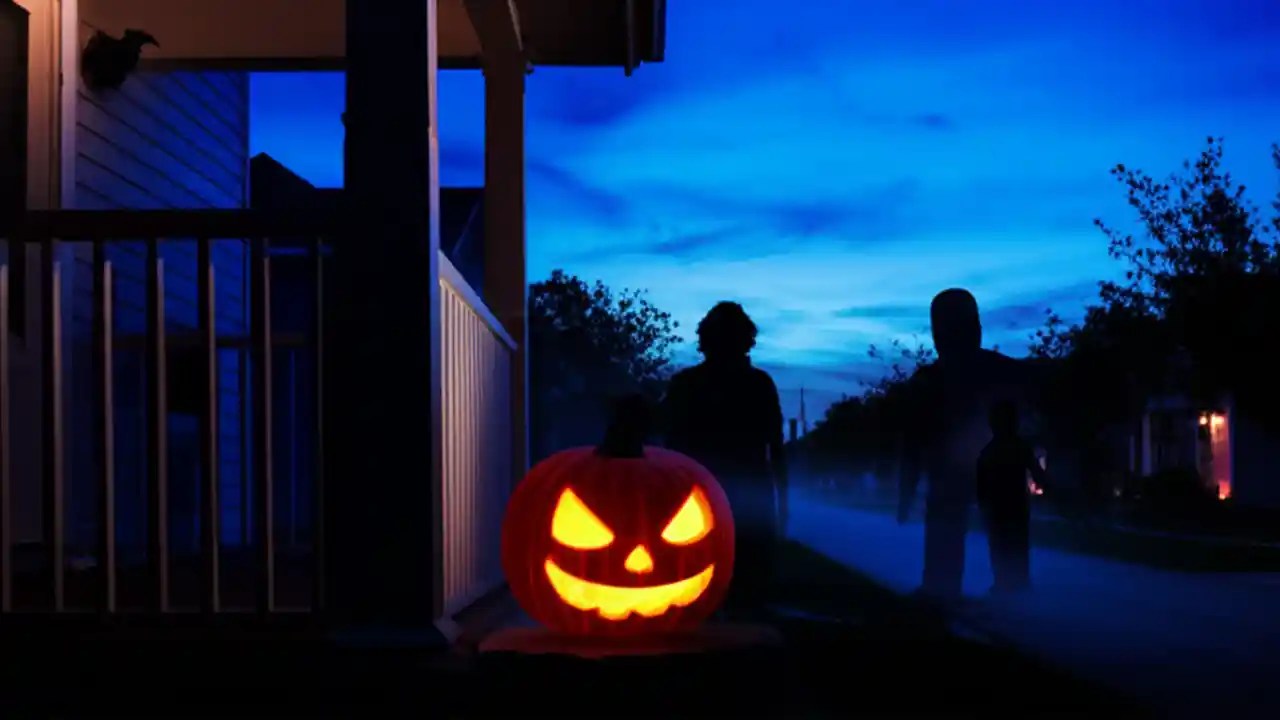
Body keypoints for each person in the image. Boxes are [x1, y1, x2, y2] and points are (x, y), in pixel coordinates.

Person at [898, 288, 1031, 604]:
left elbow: (912, 443)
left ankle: (958, 587)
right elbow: (913, 441)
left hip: (989, 469)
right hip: (983, 470)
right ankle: (1000, 588)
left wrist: (907, 491)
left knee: (993, 529)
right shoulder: (1001, 371)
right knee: (996, 531)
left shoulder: (929, 381)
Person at [661, 302, 787, 615]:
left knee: (734, 577)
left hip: (720, 491)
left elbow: (775, 445)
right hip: (715, 492)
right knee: (736, 578)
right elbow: (776, 447)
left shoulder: (688, 384)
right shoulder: (756, 384)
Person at [976, 399, 1048, 594]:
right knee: (1015, 546)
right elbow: (1037, 472)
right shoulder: (1018, 447)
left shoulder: (990, 451)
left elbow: (980, 484)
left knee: (1001, 546)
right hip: (1014, 506)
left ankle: (1004, 583)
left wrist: (982, 504)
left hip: (1000, 507)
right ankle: (1015, 583)